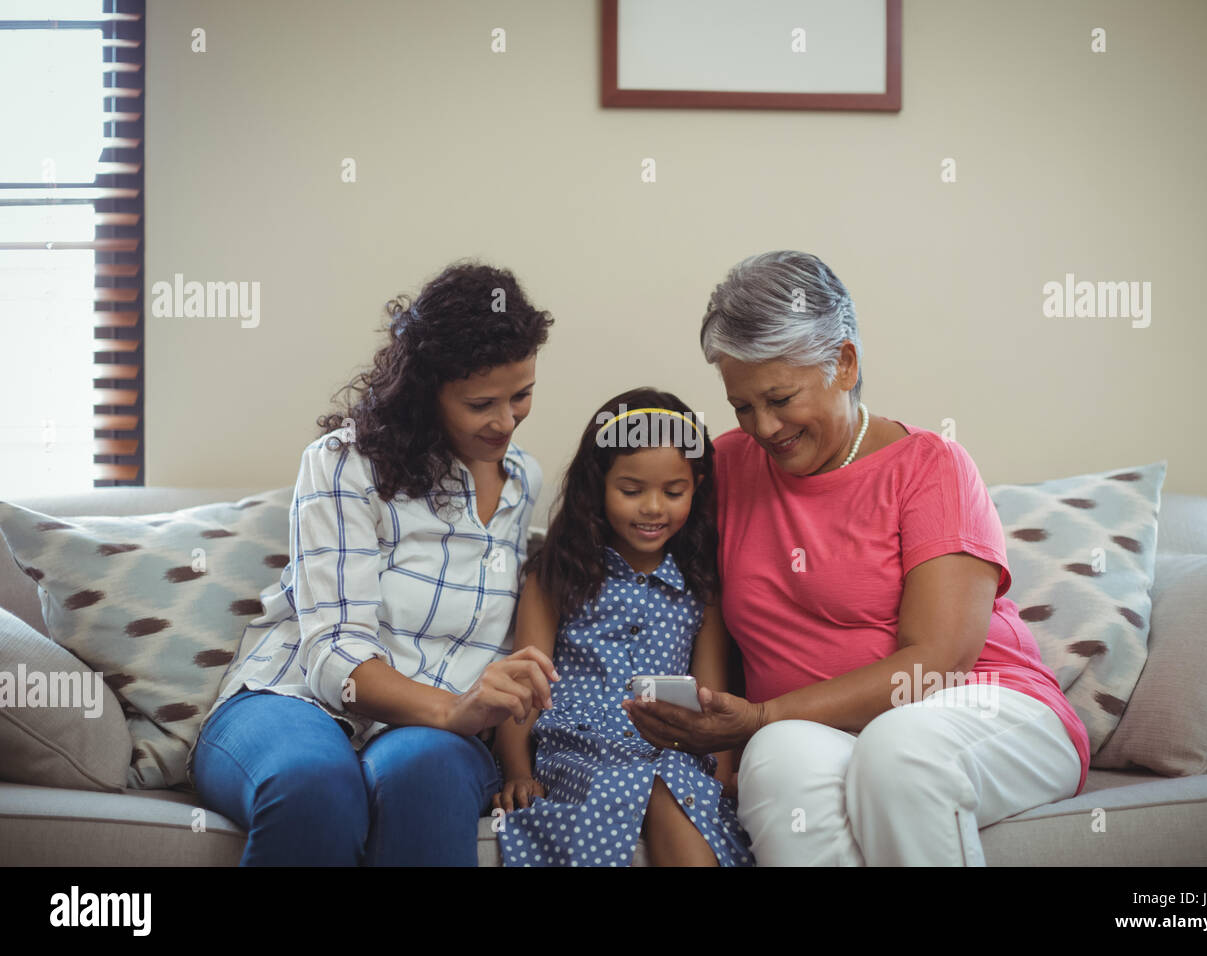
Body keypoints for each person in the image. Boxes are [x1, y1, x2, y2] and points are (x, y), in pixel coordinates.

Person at [624, 250, 1091, 866]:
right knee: (778, 762)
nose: (763, 427)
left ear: (844, 362)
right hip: (816, 731)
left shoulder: (930, 466)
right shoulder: (726, 469)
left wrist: (762, 713)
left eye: (780, 398)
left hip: (982, 708)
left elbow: (939, 659)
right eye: (743, 406)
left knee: (897, 751)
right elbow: (627, 536)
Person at [187, 260, 559, 865]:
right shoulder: (343, 463)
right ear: (426, 391)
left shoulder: (522, 481)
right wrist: (454, 710)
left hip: (431, 736)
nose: (506, 421)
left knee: (424, 778)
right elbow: (335, 651)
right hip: (297, 699)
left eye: (522, 396)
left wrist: (471, 717)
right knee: (313, 785)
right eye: (480, 403)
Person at [492, 388, 755, 866]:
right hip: (580, 745)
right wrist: (516, 770)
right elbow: (523, 687)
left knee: (668, 779)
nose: (653, 508)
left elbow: (712, 698)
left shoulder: (703, 586)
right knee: (639, 782)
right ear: (597, 487)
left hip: (673, 744)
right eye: (631, 491)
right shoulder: (555, 575)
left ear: (695, 486)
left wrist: (722, 776)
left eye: (673, 492)